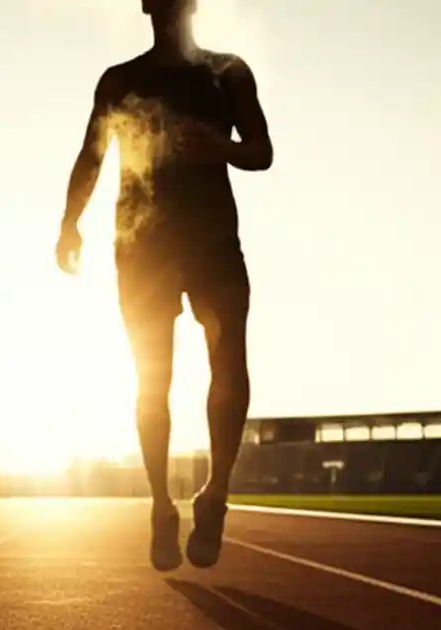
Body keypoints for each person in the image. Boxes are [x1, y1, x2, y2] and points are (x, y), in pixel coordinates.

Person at [56, 0, 272, 571]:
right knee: (152, 379)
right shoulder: (120, 80)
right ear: (146, 6)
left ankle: (216, 493)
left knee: (229, 366)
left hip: (212, 245)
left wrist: (221, 148)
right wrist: (68, 223)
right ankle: (160, 505)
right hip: (143, 246)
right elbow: (92, 154)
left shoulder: (228, 72)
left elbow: (263, 151)